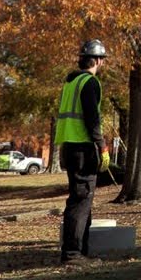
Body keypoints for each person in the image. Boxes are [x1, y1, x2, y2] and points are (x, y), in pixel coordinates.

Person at [56, 39, 111, 264]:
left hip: (69, 146)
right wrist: (102, 145)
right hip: (83, 147)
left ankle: (81, 250)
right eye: (102, 60)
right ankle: (72, 254)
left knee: (81, 200)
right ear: (98, 60)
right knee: (80, 201)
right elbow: (92, 119)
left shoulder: (70, 83)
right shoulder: (90, 83)